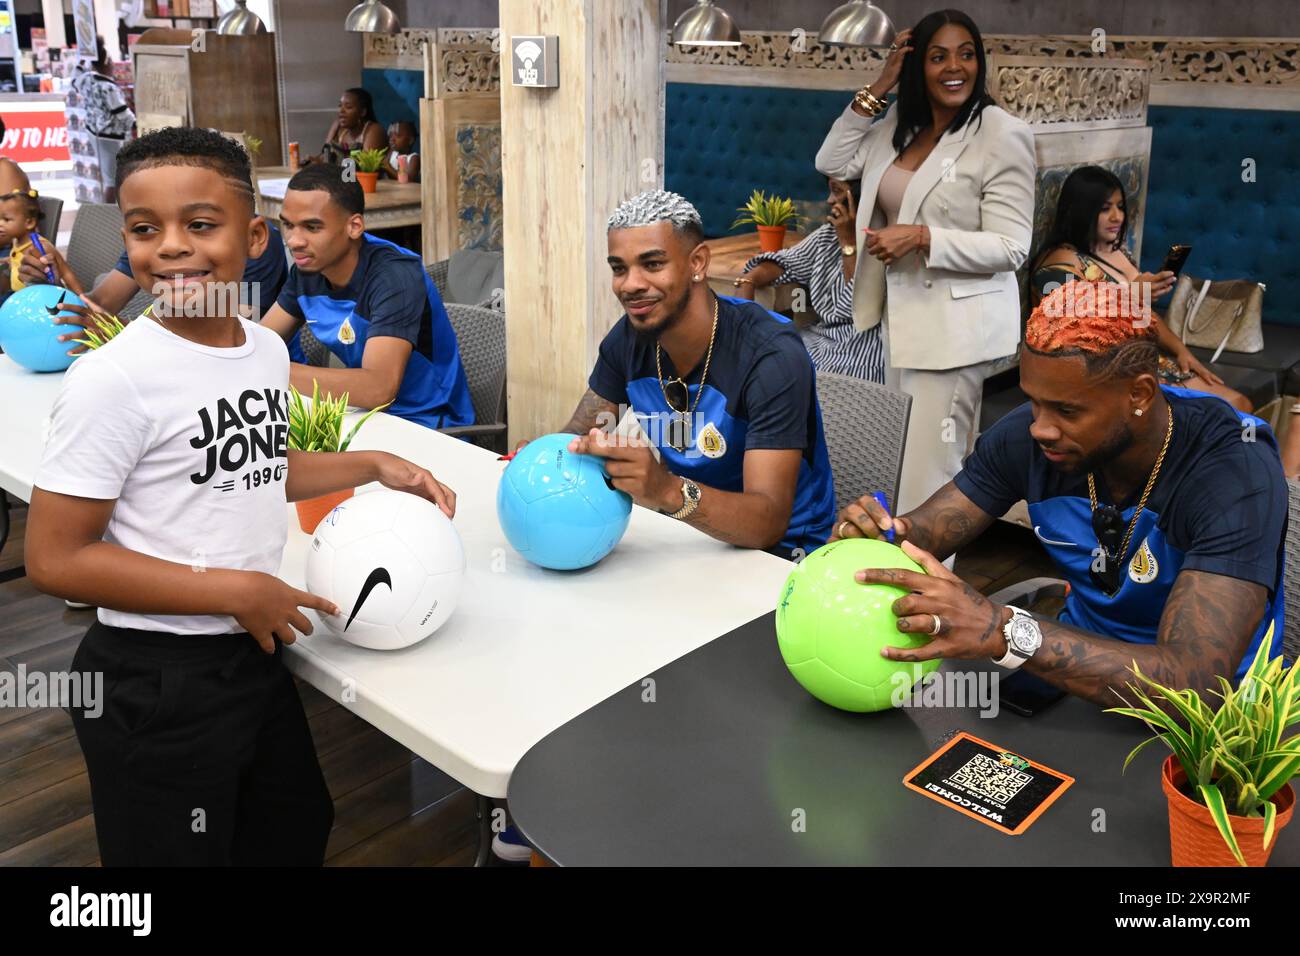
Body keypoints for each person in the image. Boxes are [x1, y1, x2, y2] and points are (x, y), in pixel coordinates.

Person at [24, 126, 458, 866]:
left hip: (249, 652)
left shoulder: (263, 351)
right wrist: (236, 588)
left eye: (199, 224)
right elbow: (56, 559)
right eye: (142, 229)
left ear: (255, 236)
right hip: (154, 675)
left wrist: (371, 463)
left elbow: (253, 464)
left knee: (292, 827)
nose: (170, 248)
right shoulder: (114, 381)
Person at [831, 279, 1286, 707]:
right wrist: (883, 535)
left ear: (1140, 393)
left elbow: (1194, 682)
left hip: (1214, 724)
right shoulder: (1027, 441)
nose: (1040, 428)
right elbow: (927, 532)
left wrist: (1002, 630)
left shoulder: (1233, 473)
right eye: (1033, 400)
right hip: (1074, 674)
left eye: (1068, 410)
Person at [815, 9, 1036, 515]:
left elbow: (1010, 247)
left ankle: (930, 583)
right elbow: (831, 162)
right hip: (897, 317)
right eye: (937, 56)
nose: (954, 67)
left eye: (966, 54)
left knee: (931, 473)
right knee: (901, 463)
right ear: (917, 66)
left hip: (953, 332)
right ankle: (907, 574)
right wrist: (881, 83)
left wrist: (922, 237)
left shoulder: (1001, 134)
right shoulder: (898, 123)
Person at [562, 189, 836, 559]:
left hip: (780, 557)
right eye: (619, 268)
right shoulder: (629, 339)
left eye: (653, 264)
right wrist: (548, 454)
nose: (630, 284)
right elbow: (578, 433)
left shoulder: (771, 355)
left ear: (697, 263)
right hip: (687, 534)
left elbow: (767, 521)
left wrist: (666, 490)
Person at [260, 163, 474, 429]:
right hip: (360, 417)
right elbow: (260, 341)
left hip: (428, 425)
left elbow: (378, 388)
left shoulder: (396, 276)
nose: (294, 241)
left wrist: (266, 370)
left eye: (312, 227)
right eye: (288, 226)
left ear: (354, 225)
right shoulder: (308, 270)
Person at [1031, 164, 1250, 412]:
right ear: (1081, 211)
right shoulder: (1058, 265)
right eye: (1105, 209)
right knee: (1232, 410)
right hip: (1103, 371)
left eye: (1120, 206)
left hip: (1143, 358)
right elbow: (1068, 332)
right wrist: (1130, 297)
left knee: (1239, 407)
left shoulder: (1114, 252)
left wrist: (1181, 352)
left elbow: (1143, 317)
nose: (1117, 217)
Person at [733, 176, 883, 382]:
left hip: (860, 349)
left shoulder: (883, 242)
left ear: (860, 197)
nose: (830, 200)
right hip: (819, 340)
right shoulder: (828, 235)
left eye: (837, 191)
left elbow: (858, 305)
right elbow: (786, 261)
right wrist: (747, 281)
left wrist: (848, 241)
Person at [69, 36, 135, 204]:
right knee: (112, 178)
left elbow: (74, 78)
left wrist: (83, 60)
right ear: (107, 63)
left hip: (94, 131)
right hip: (111, 136)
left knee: (108, 175)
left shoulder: (87, 80)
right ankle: (109, 213)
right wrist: (138, 124)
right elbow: (121, 112)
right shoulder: (108, 87)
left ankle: (110, 209)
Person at [0, 189, 82, 295]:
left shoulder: (41, 247)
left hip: (37, 298)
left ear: (29, 223)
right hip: (18, 295)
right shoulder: (17, 241)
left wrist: (81, 298)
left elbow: (66, 273)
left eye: (6, 219)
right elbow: (17, 259)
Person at [305, 88, 386, 166]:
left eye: (348, 107)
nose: (341, 111)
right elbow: (325, 155)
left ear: (362, 112)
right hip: (337, 177)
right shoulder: (338, 126)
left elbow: (365, 167)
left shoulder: (374, 130)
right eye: (340, 106)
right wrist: (314, 160)